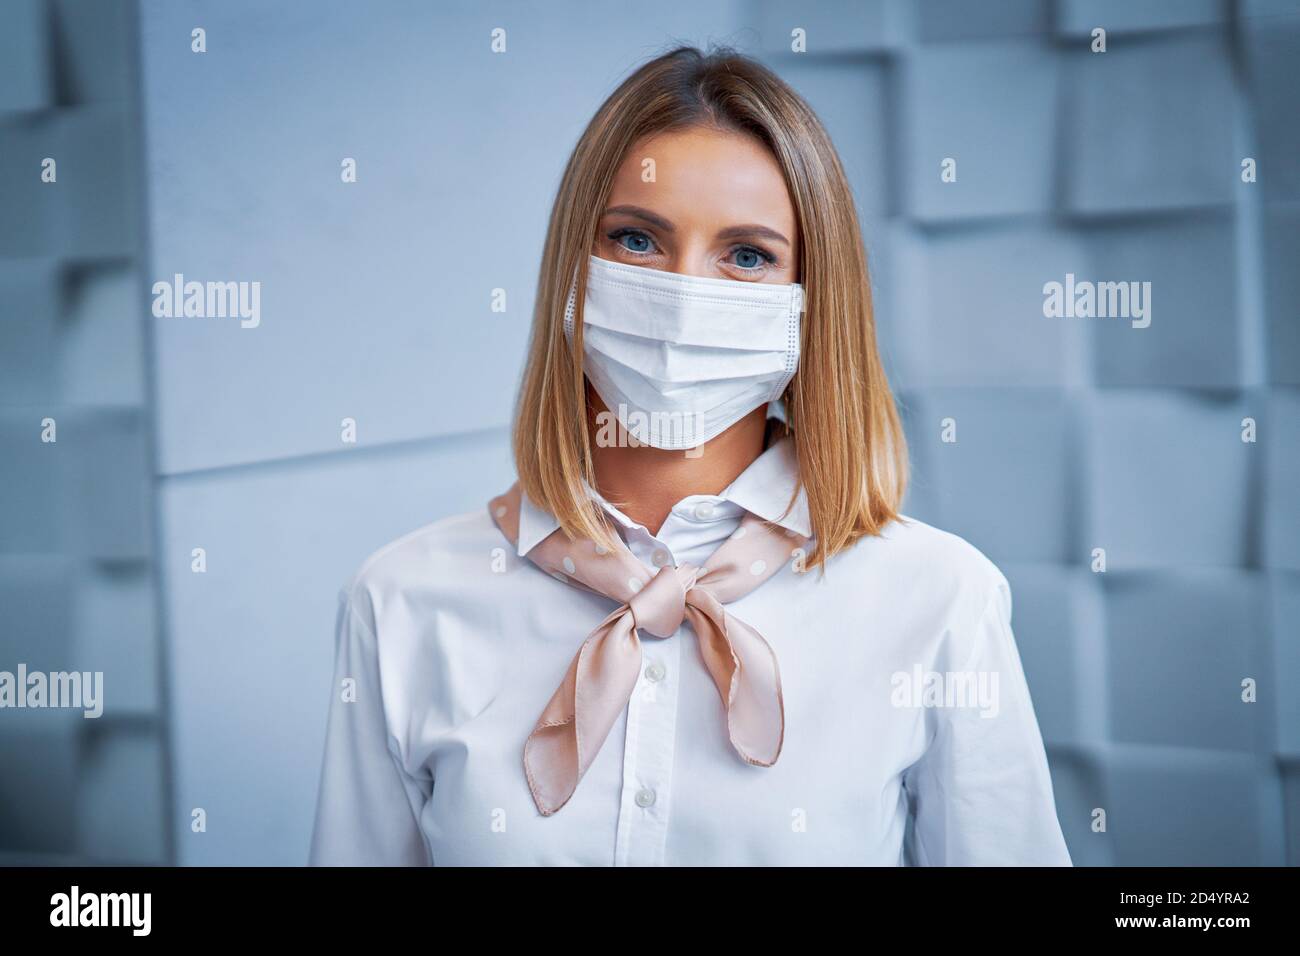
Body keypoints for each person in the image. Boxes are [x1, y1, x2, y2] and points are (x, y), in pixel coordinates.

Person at [308, 45, 1071, 866]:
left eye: (747, 256)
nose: (681, 296)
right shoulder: (401, 599)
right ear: (573, 268)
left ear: (812, 302)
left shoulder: (938, 599)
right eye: (636, 240)